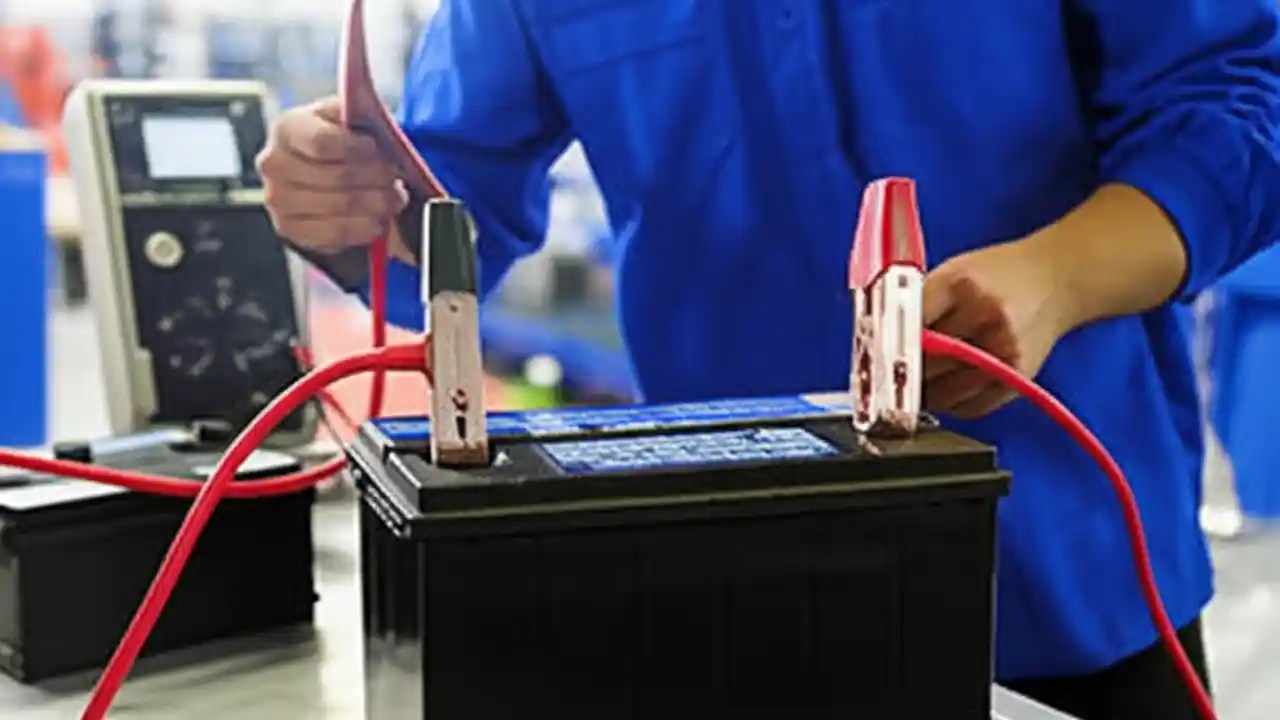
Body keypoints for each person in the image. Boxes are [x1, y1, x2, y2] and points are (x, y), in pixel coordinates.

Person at [256, 2, 1280, 717]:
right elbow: (439, 203)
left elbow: (1239, 111)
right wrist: (338, 201)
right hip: (715, 585)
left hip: (1069, 578)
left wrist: (1052, 279)